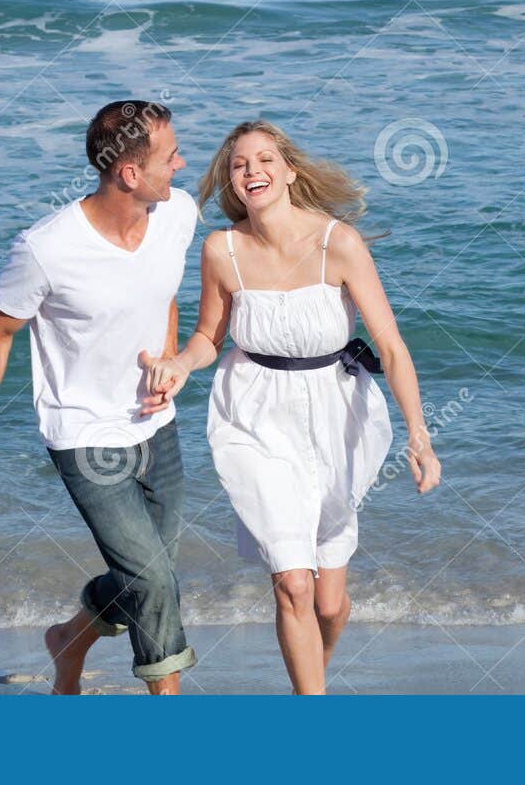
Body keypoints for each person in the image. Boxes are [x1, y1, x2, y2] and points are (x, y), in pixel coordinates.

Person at [138, 119, 441, 694]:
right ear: (231, 182)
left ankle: (313, 673)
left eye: (264, 160)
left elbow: (393, 347)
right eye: (239, 164)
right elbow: (209, 337)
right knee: (293, 585)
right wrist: (179, 364)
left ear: (289, 172)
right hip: (254, 415)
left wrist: (418, 434)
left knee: (328, 604)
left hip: (337, 412)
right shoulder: (222, 250)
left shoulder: (338, 243)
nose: (252, 171)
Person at [0, 100, 199, 694]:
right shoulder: (46, 249)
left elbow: (163, 293)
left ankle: (68, 639)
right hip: (83, 434)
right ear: (129, 173)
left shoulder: (176, 214)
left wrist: (166, 357)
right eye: (170, 156)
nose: (182, 165)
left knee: (147, 576)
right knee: (154, 582)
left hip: (156, 426)